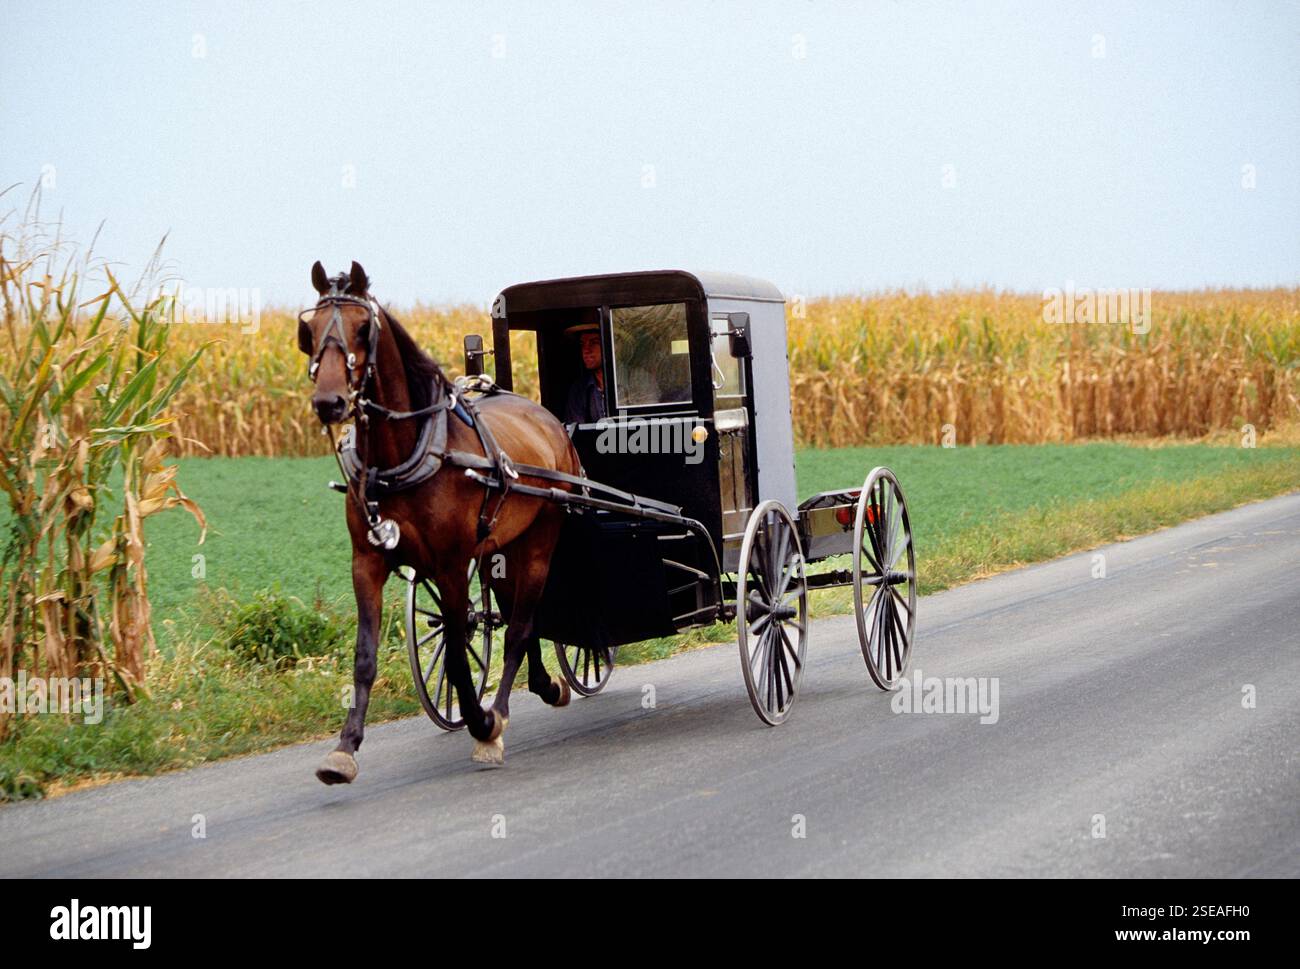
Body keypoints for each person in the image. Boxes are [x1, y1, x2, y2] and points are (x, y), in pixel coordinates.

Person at [563, 322, 607, 424]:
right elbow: (576, 432)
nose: (586, 350)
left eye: (594, 342)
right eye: (582, 344)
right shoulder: (579, 390)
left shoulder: (635, 379)